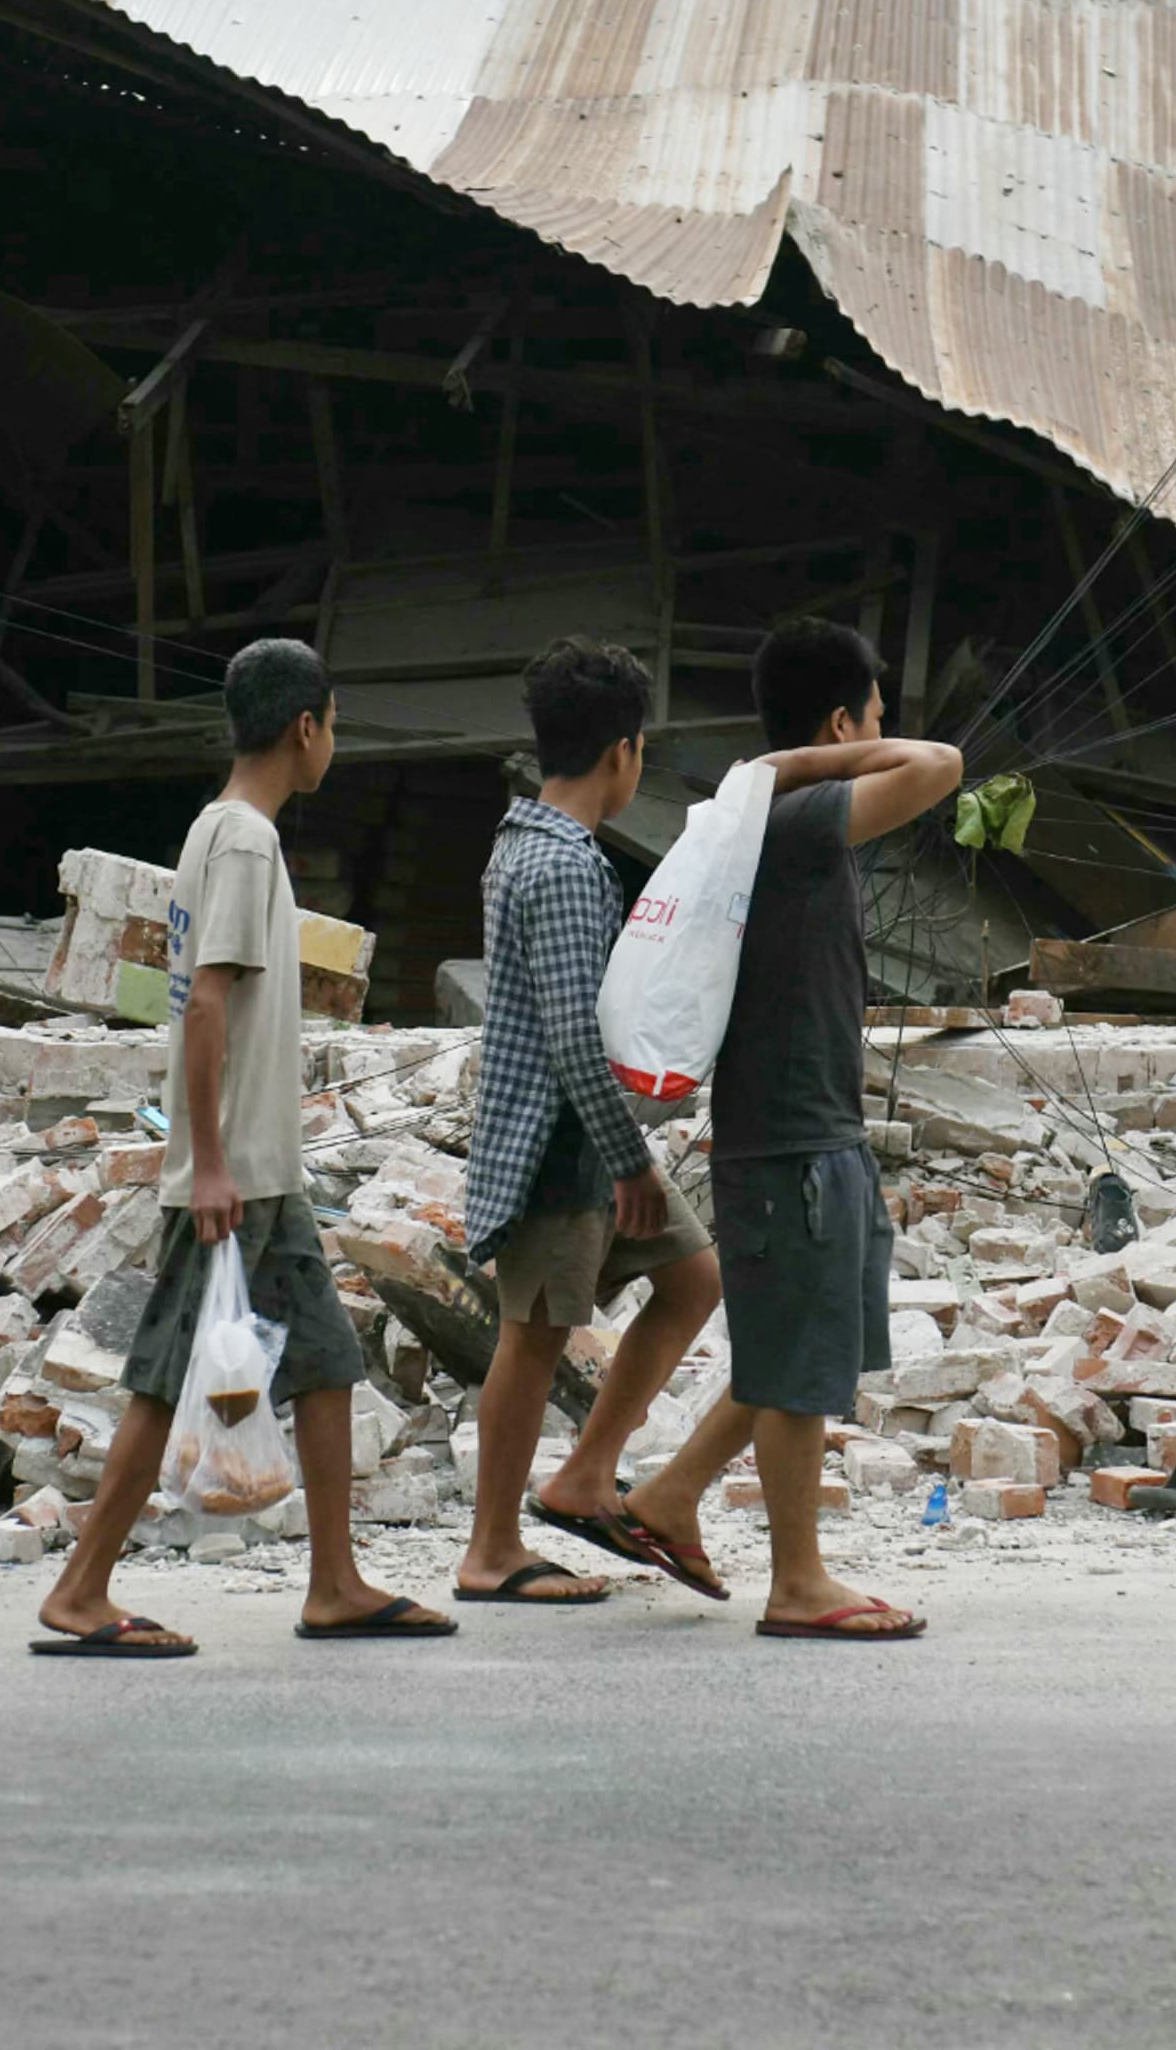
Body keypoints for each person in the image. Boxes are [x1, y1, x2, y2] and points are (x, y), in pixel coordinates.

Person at [33, 638, 454, 1656]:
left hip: (267, 1171)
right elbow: (207, 1005)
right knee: (164, 1372)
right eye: (335, 725)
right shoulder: (239, 843)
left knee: (323, 1361)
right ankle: (81, 1589)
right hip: (231, 1175)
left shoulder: (230, 834)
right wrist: (210, 1162)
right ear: (306, 726)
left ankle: (336, 1583)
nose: (333, 745)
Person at [610, 618, 960, 1640]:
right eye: (873, 717)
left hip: (816, 1127)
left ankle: (671, 1497)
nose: (887, 733)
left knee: (804, 1346)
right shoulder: (793, 814)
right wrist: (787, 760)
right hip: (788, 1139)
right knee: (798, 1356)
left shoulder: (781, 819)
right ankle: (797, 1581)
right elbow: (939, 764)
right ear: (845, 719)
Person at [451, 639, 730, 1608]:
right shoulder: (565, 867)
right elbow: (574, 1036)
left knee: (693, 1278)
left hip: (574, 1138)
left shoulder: (524, 842)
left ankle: (583, 1474)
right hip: (554, 1145)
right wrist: (631, 1163)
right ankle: (490, 1550)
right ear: (624, 753)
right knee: (530, 1341)